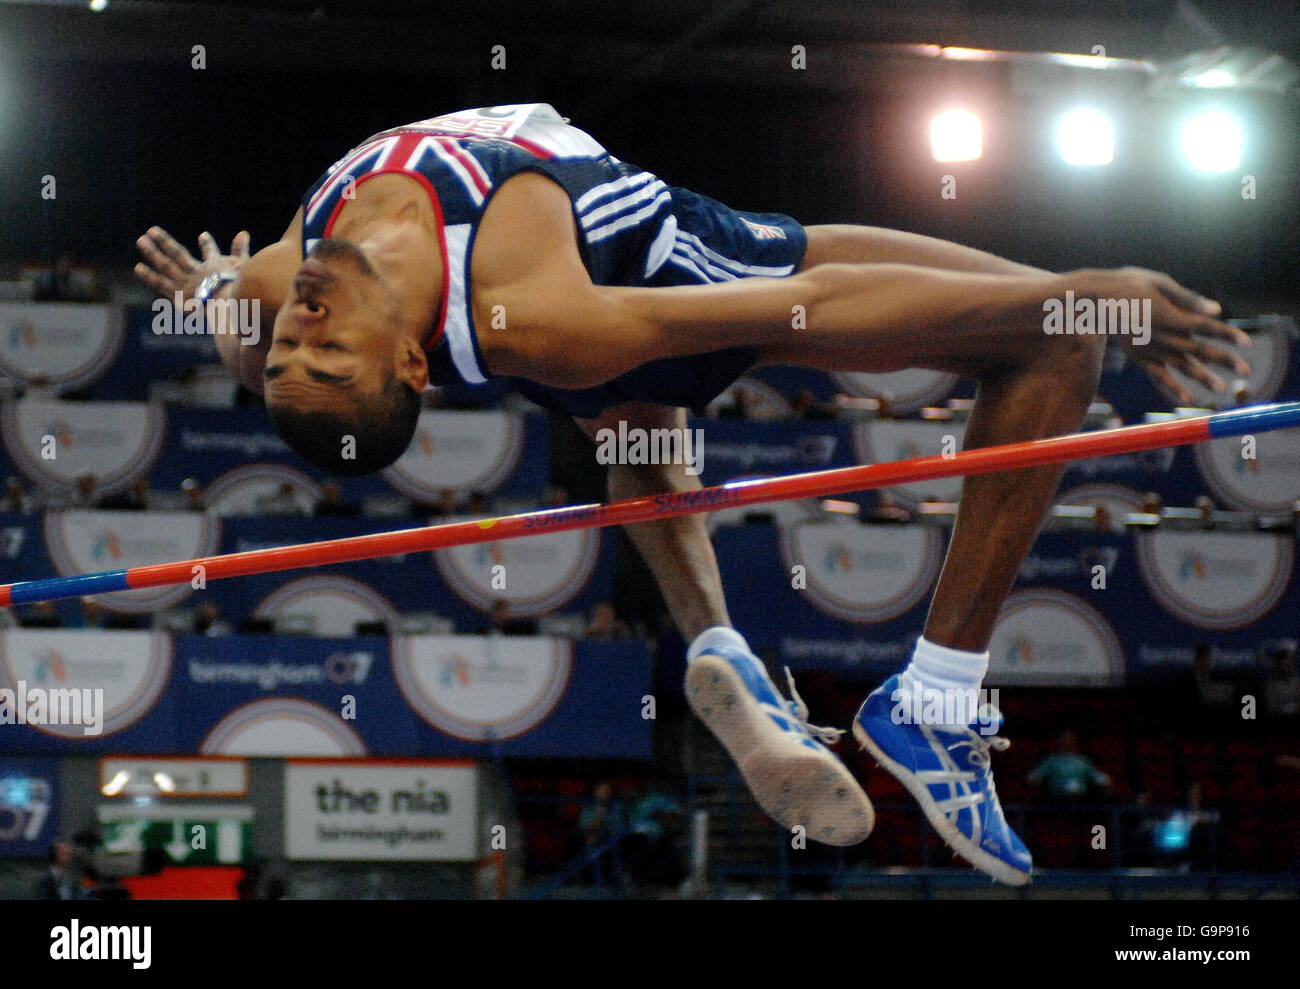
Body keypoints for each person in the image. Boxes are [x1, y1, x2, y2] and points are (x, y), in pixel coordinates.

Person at [134, 102, 1249, 886]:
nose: (305, 333)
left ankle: (716, 642)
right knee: (1056, 342)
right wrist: (1077, 295)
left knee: (632, 407)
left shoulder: (286, 291)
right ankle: (937, 699)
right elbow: (801, 305)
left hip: (619, 294)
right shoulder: (532, 308)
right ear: (413, 367)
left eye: (297, 346)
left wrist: (219, 295)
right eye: (324, 360)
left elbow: (243, 340)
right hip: (672, 276)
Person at [1027, 728, 1112, 803]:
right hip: (1056, 799)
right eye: (1065, 738)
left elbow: (1096, 776)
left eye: (1070, 738)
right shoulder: (1051, 760)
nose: (1067, 741)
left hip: (1081, 799)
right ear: (1059, 740)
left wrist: (1104, 780)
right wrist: (1034, 779)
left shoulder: (1083, 761)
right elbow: (1035, 776)